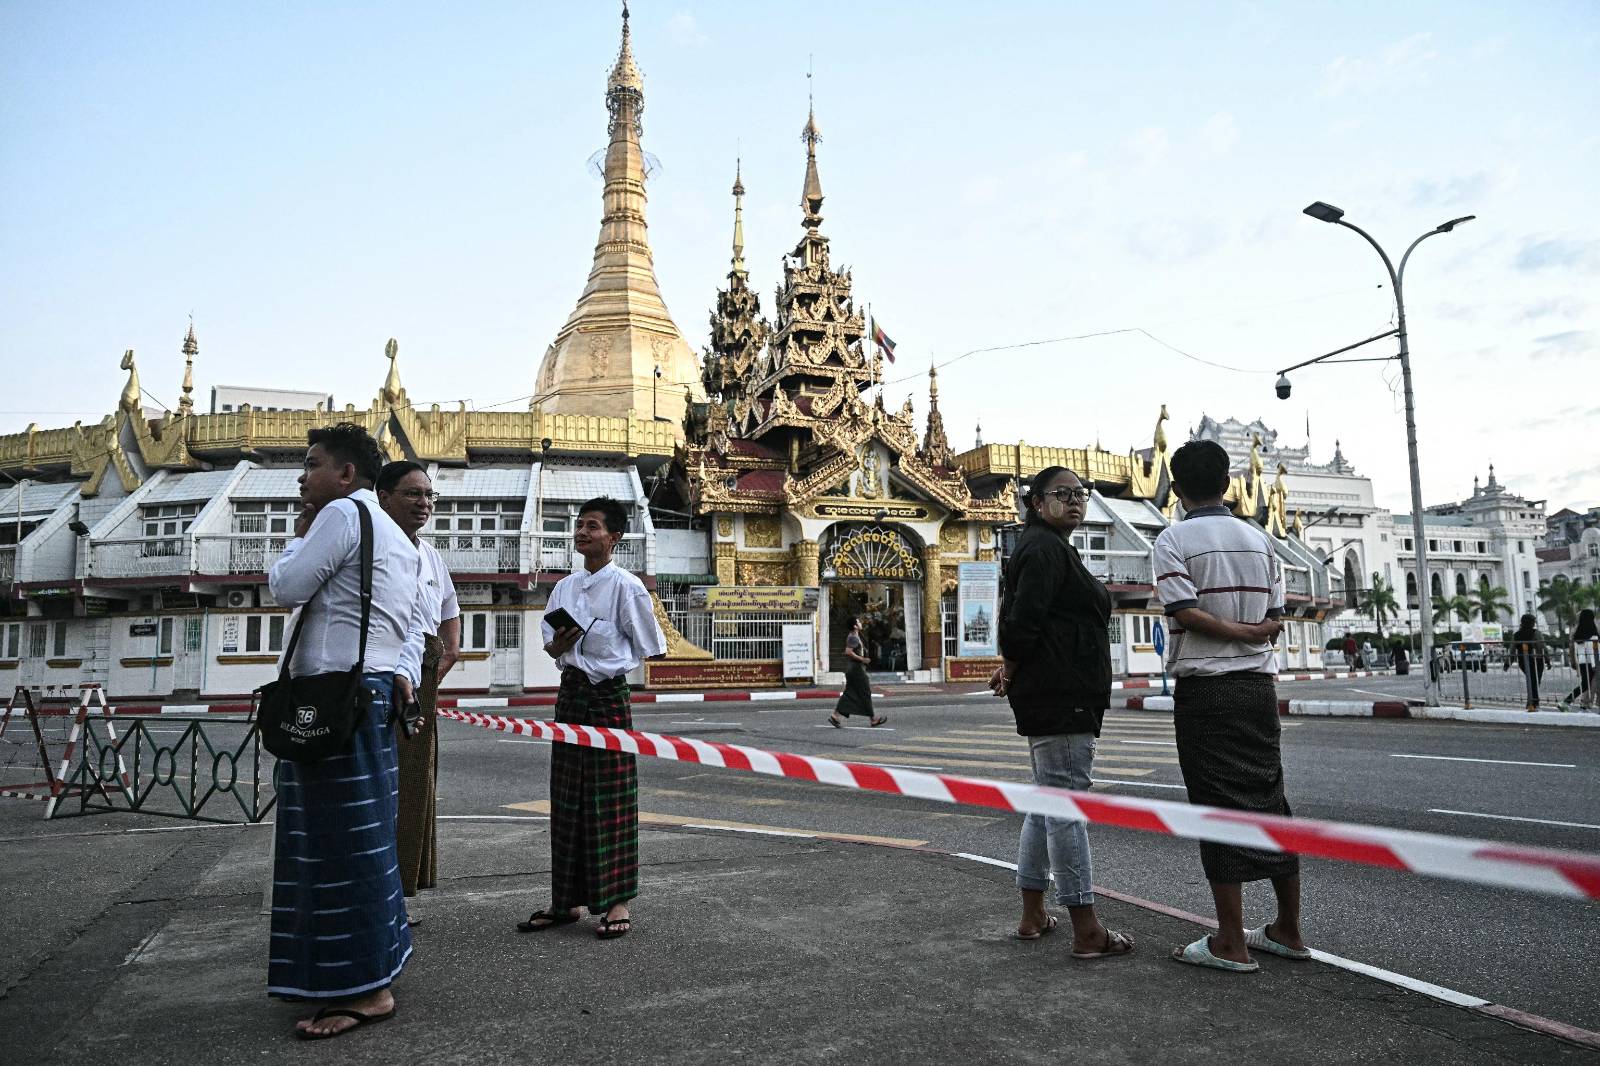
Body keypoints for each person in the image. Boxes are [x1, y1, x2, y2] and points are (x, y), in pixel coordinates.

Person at [267, 424, 426, 1039]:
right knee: (363, 842)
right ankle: (368, 970)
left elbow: (286, 587)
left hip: (333, 700)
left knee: (332, 846)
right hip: (373, 696)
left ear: (346, 475)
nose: (302, 477)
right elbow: (411, 627)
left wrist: (297, 536)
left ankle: (362, 989)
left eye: (311, 465)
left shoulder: (340, 518)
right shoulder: (400, 540)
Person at [1154, 440, 1308, 974]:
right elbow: (1275, 614)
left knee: (1217, 808)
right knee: (1270, 798)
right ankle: (1287, 928)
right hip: (1258, 689)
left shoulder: (1173, 539)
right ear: (1228, 483)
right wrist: (1253, 633)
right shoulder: (1260, 539)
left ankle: (1231, 941)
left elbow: (1185, 612)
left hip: (1207, 689)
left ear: (1176, 487)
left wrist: (1235, 632)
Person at [989, 465, 1134, 959]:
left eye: (1081, 494)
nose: (1075, 501)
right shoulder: (1045, 549)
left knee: (1047, 802)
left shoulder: (1045, 547)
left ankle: (1033, 913)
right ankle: (1086, 927)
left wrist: (1010, 666)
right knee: (1067, 807)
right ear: (1037, 502)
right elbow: (1021, 621)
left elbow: (1025, 622)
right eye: (1063, 494)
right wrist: (1010, 663)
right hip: (1061, 694)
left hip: (1053, 689)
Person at [517, 496, 666, 940]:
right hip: (571, 695)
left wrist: (606, 647)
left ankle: (617, 901)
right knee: (566, 799)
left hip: (607, 697)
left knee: (611, 799)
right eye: (580, 525)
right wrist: (560, 645)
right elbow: (549, 645)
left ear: (614, 537)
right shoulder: (564, 587)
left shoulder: (627, 587)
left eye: (593, 526)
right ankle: (566, 901)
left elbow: (649, 644)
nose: (582, 532)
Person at [376, 461, 462, 911]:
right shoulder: (373, 551)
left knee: (414, 778)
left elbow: (448, 605)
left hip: (421, 672)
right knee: (381, 781)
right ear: (382, 496)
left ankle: (403, 886)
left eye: (429, 496)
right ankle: (379, 892)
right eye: (412, 494)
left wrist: (449, 653)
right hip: (382, 671)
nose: (424, 504)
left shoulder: (429, 554)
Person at [829, 616, 887, 728]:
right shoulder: (853, 637)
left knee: (850, 692)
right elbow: (848, 652)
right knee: (865, 692)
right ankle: (873, 719)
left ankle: (835, 716)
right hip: (856, 669)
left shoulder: (855, 636)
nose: (861, 623)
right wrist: (863, 659)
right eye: (858, 622)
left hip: (854, 668)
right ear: (855, 626)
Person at [1504, 613, 1550, 710]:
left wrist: (1507, 664)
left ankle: (1531, 702)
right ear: (1531, 623)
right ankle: (1533, 702)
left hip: (1523, 661)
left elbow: (1512, 651)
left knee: (1532, 680)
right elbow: (1543, 647)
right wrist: (1547, 660)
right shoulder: (1536, 633)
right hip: (1537, 659)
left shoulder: (1516, 635)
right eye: (1534, 621)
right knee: (1535, 681)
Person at [1562, 609, 1598, 710]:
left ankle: (1572, 703)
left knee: (1585, 685)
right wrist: (1595, 666)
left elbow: (1576, 649)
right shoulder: (1593, 634)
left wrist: (1574, 661)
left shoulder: (1578, 633)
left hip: (1582, 662)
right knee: (1590, 684)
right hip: (1593, 663)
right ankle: (1567, 702)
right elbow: (1593, 650)